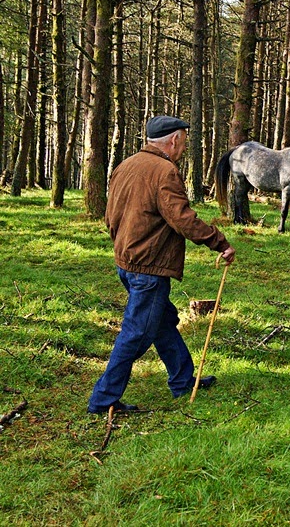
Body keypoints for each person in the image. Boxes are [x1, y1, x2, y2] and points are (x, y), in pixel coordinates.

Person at [87, 115, 236, 414]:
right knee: (136, 334)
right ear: (174, 140)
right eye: (183, 139)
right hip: (148, 269)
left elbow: (109, 216)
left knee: (163, 323)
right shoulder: (165, 171)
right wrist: (218, 242)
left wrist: (122, 247)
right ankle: (102, 400)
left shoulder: (125, 165)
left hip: (127, 263)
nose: (183, 147)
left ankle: (182, 380)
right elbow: (182, 218)